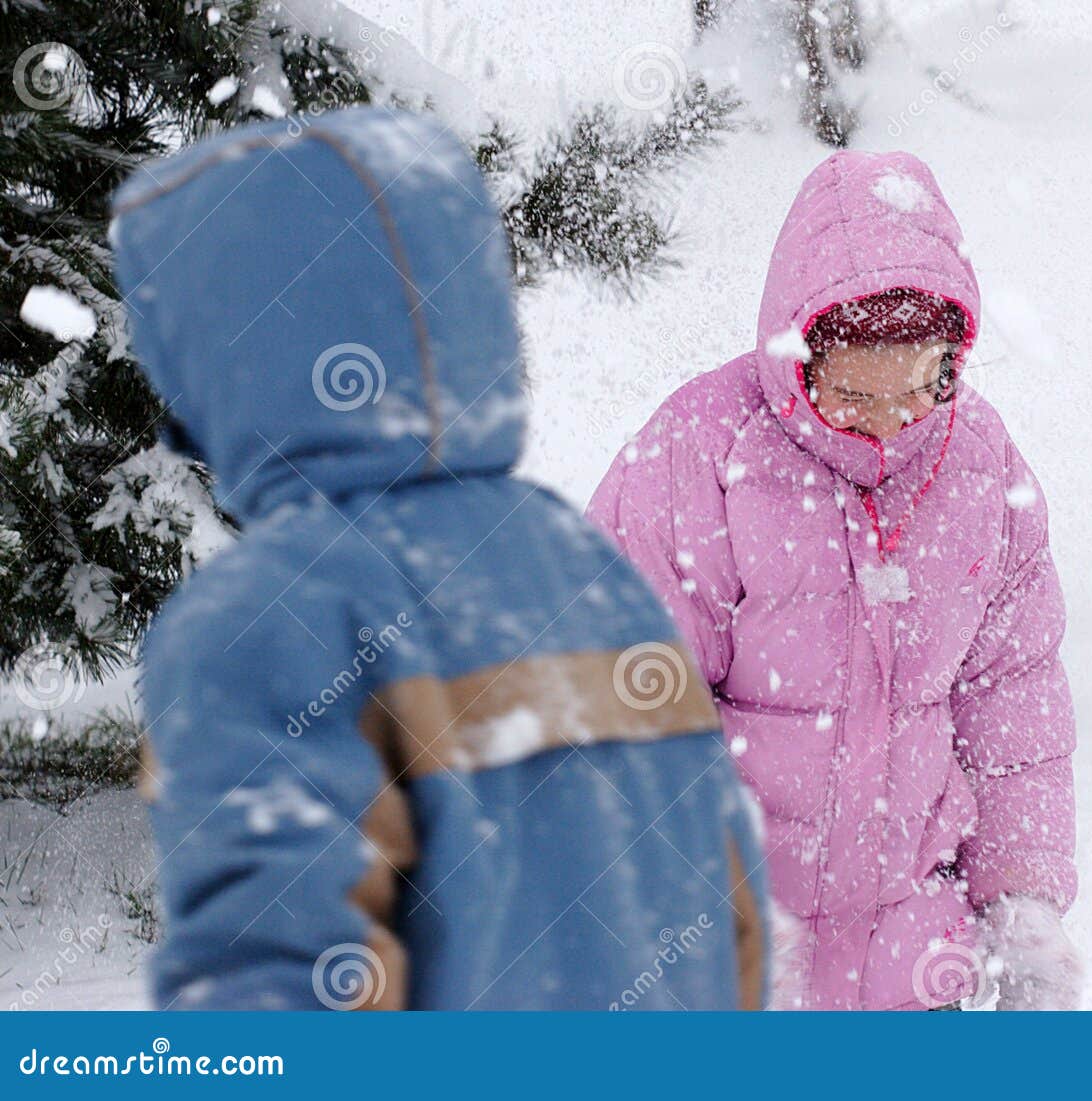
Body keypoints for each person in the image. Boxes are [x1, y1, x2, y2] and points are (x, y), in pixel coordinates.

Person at [111, 108, 766, 1011]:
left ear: (226, 358)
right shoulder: (580, 560)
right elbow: (727, 892)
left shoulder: (263, 616)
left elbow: (277, 979)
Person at [586, 150, 1081, 1010]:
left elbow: (1013, 704)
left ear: (951, 361)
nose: (887, 426)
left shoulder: (979, 468)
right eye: (852, 395)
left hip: (917, 968)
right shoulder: (703, 455)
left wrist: (1021, 902)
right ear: (799, 355)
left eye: (916, 393)